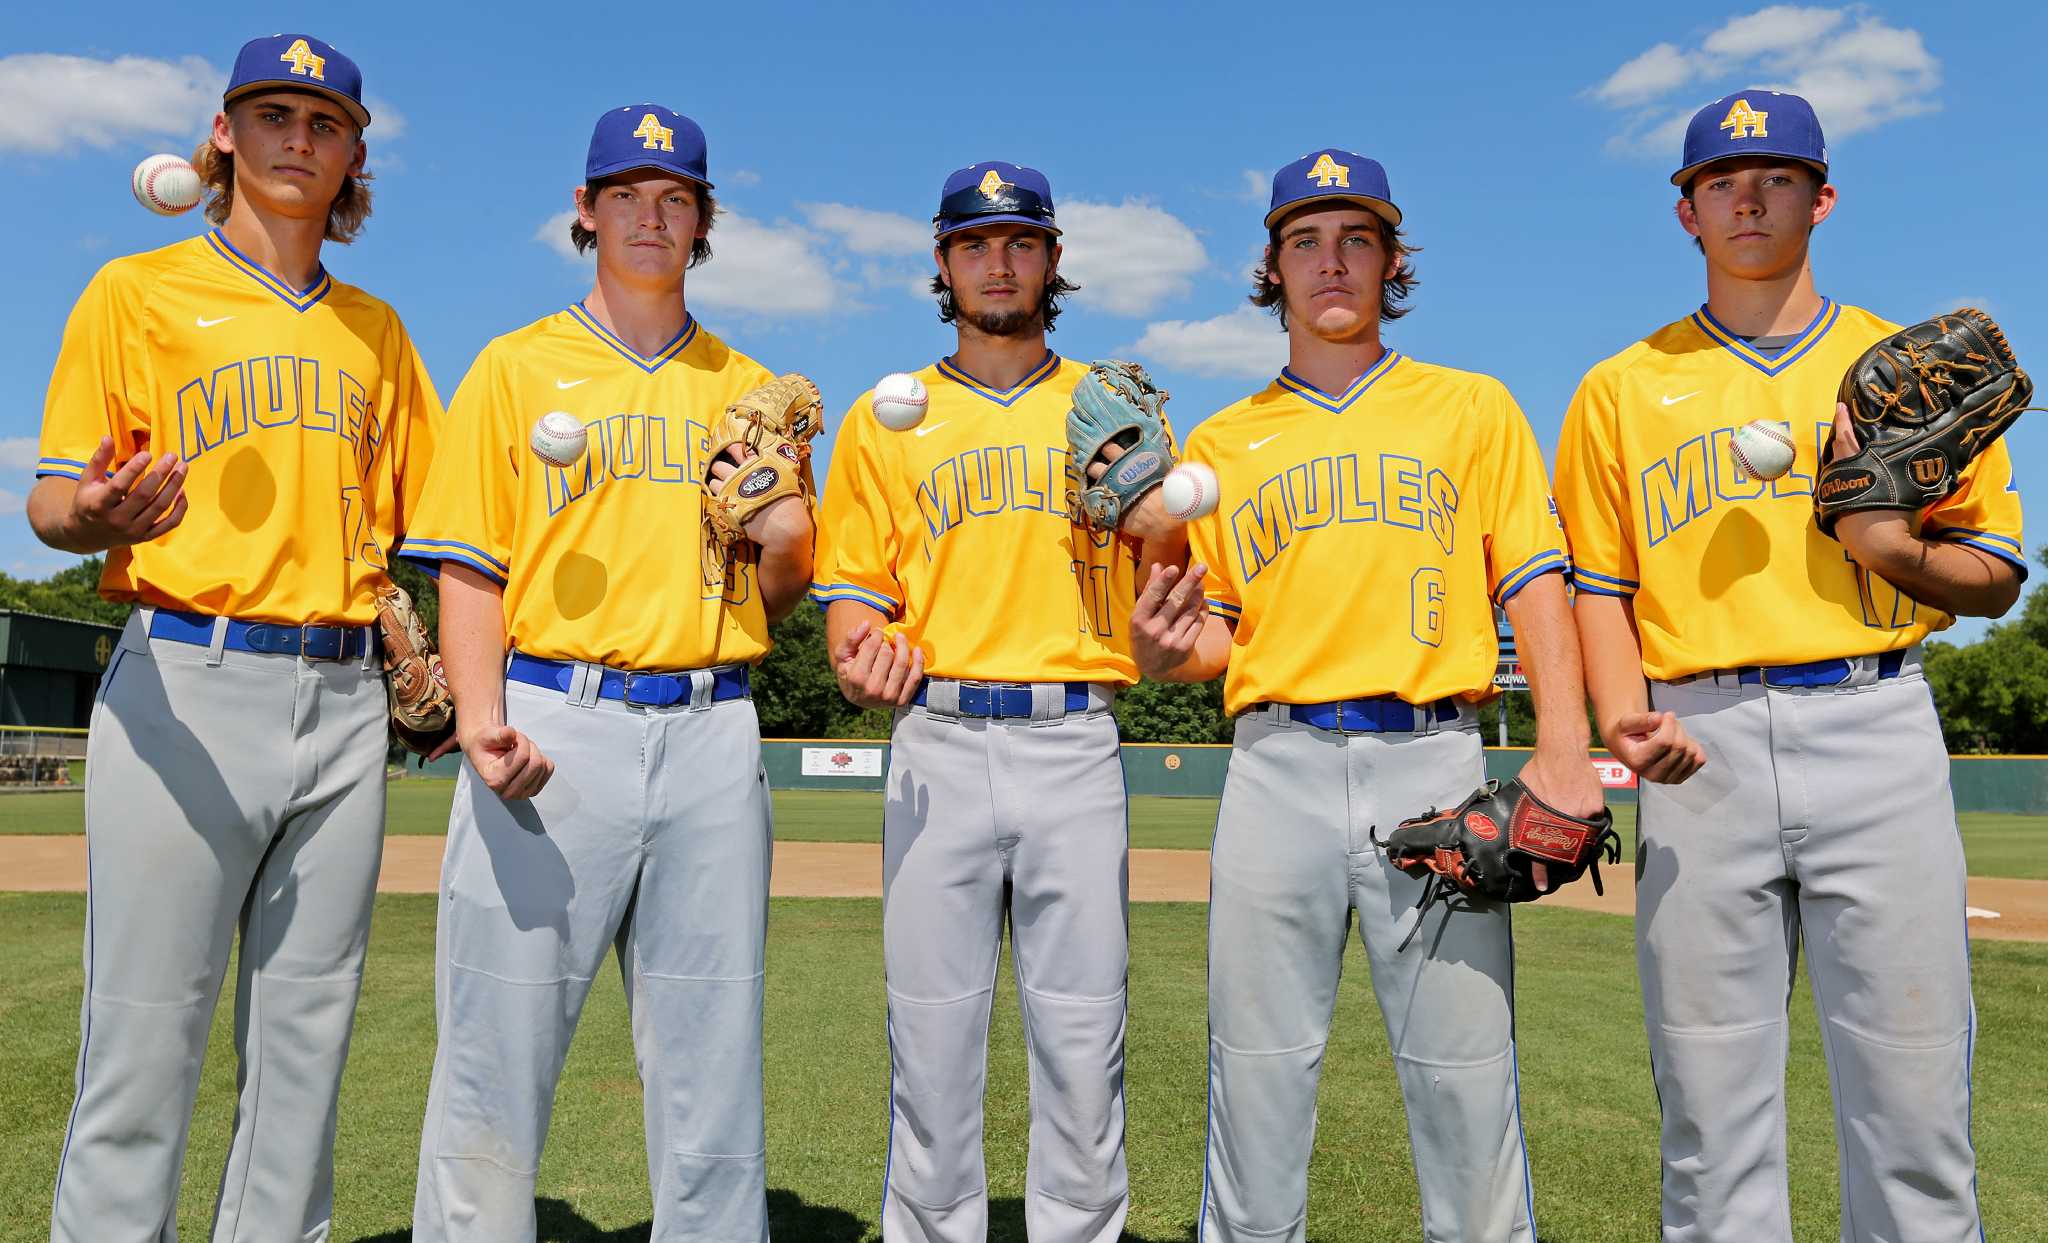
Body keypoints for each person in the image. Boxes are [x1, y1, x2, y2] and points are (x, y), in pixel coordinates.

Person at [1552, 90, 2022, 1241]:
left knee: (1913, 1114)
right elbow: (1596, 589)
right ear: (1685, 213)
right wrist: (1624, 720)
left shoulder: (1898, 367)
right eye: (1720, 180)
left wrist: (1887, 544)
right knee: (1711, 1125)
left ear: (1821, 196)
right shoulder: (1618, 388)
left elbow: (1997, 573)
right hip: (1694, 747)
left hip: (1875, 724)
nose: (1746, 197)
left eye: (1773, 175)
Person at [1134, 148, 1602, 1243]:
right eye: (1304, 240)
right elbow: (1215, 634)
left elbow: (1534, 582)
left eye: (1355, 239)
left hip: (1429, 763)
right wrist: (1161, 652)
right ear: (1272, 268)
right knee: (1253, 1073)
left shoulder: (1470, 407)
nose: (1330, 261)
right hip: (1274, 764)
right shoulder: (1220, 443)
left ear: (1391, 263)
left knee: (1463, 1077)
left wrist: (1563, 751)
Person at [29, 33, 439, 1241]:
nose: (297, 138)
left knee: (305, 1053)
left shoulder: (378, 332)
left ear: (355, 153)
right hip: (185, 678)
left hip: (345, 699)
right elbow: (54, 501)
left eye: (323, 122)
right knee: (145, 1038)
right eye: (272, 115)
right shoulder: (133, 291)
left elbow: (438, 522)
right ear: (224, 134)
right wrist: (94, 515)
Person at [398, 104, 812, 1242]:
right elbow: (468, 569)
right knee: (497, 1043)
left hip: (711, 723)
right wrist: (479, 714)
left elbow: (772, 592)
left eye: (674, 197)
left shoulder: (750, 387)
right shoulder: (515, 365)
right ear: (585, 213)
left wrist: (784, 538)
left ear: (703, 221)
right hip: (549, 721)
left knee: (710, 1055)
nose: (650, 216)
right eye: (625, 194)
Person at [811, 160, 1177, 1242]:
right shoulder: (890, 417)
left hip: (1075, 737)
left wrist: (1151, 496)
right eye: (974, 243)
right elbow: (850, 608)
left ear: (1052, 259)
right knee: (930, 1043)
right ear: (942, 262)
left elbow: (1176, 572)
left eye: (1019, 241)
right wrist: (856, 658)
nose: (998, 261)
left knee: (1081, 1044)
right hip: (936, 735)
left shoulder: (1111, 411)